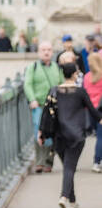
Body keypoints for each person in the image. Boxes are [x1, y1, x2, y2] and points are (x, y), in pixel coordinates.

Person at [39, 60, 102, 208]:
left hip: (58, 136)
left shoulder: (53, 90)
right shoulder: (80, 92)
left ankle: (72, 201)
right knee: (69, 167)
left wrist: (41, 132)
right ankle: (64, 197)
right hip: (76, 135)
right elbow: (93, 112)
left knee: (68, 166)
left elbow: (46, 114)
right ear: (74, 75)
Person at [24, 42, 63, 173]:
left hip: (54, 106)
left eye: (49, 50)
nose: (46, 52)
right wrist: (32, 99)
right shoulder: (32, 67)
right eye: (43, 50)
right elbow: (27, 84)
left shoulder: (57, 68)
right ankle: (39, 161)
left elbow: (62, 84)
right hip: (39, 105)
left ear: (52, 52)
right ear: (39, 52)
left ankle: (48, 162)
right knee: (38, 131)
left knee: (52, 133)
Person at [82, 44, 102, 174]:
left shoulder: (87, 77)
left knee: (98, 137)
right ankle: (96, 161)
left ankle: (97, 161)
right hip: (101, 110)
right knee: (101, 138)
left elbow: (85, 94)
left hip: (90, 111)